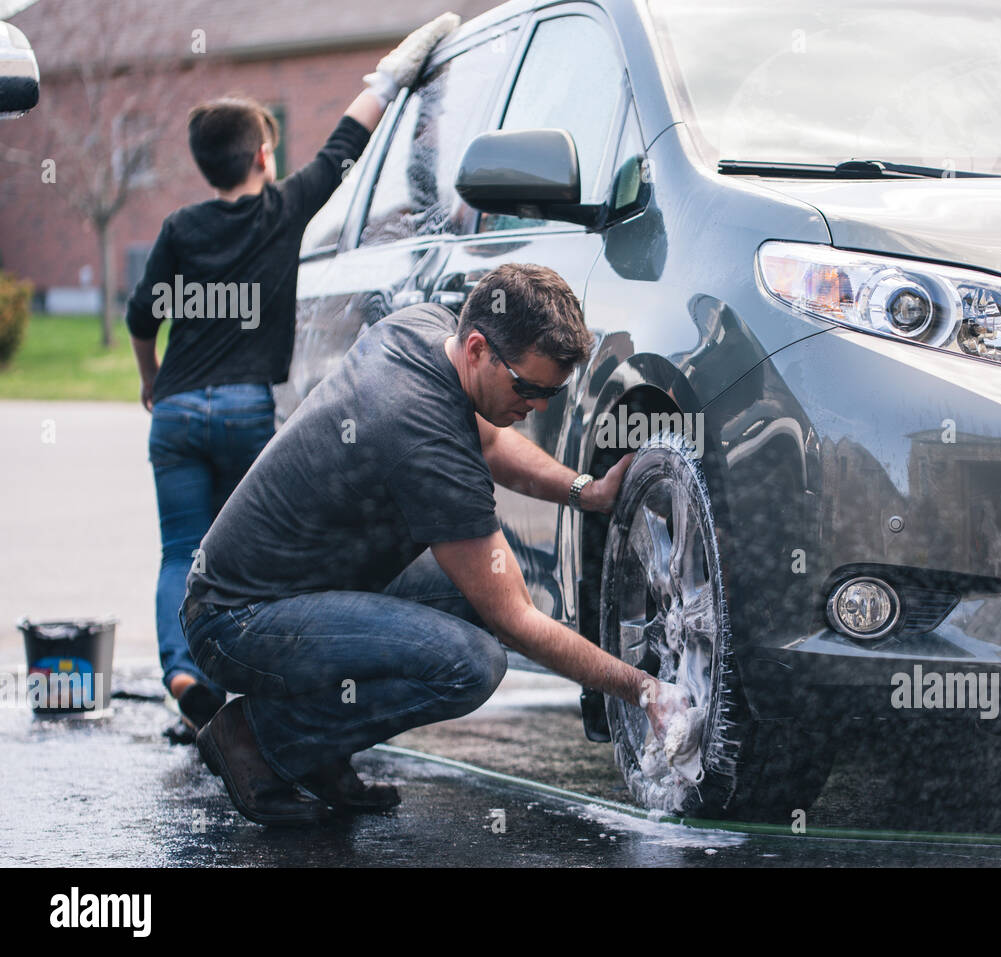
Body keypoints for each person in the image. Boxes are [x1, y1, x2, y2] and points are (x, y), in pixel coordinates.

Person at [180, 263, 695, 826]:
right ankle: (260, 740)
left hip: (295, 588)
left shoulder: (425, 330)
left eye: (553, 392)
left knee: (482, 591)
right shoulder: (422, 436)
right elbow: (518, 621)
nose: (539, 406)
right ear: (478, 349)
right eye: (529, 388)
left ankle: (316, 749)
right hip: (238, 623)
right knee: (472, 663)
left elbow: (493, 443)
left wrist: (586, 491)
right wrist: (643, 689)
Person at [124, 14, 462, 739]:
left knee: (178, 549)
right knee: (233, 559)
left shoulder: (181, 228)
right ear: (264, 155)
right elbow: (347, 144)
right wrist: (394, 71)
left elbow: (140, 316)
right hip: (247, 408)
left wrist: (151, 381)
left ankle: (183, 673)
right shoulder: (282, 212)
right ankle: (240, 697)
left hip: (177, 412)